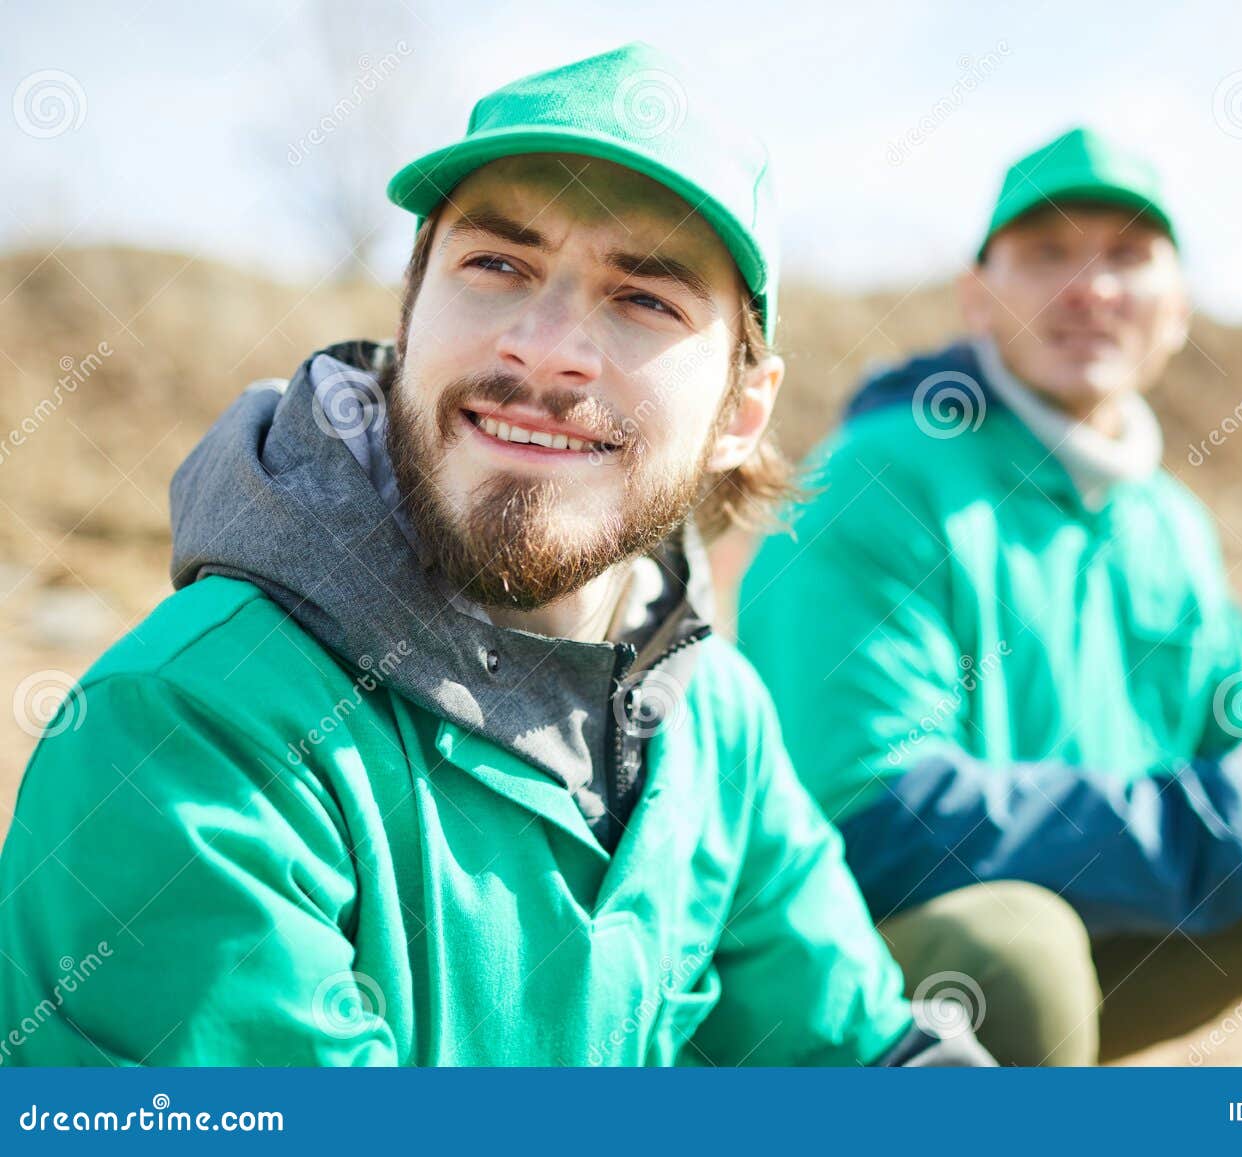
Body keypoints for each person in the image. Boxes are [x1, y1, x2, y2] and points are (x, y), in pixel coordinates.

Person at [0, 44, 987, 1068]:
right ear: (410, 320)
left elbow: (864, 1048)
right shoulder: (193, 724)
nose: (547, 343)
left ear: (741, 413)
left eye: (645, 297)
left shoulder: (710, 716)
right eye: (497, 266)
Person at [738, 126, 1242, 1066]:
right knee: (1017, 947)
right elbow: (874, 823)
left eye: (1127, 256)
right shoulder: (875, 481)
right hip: (868, 965)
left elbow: (1231, 721)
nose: (1090, 288)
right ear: (977, 296)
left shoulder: (1168, 520)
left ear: (1180, 309)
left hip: (1093, 937)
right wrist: (1223, 821)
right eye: (1047, 253)